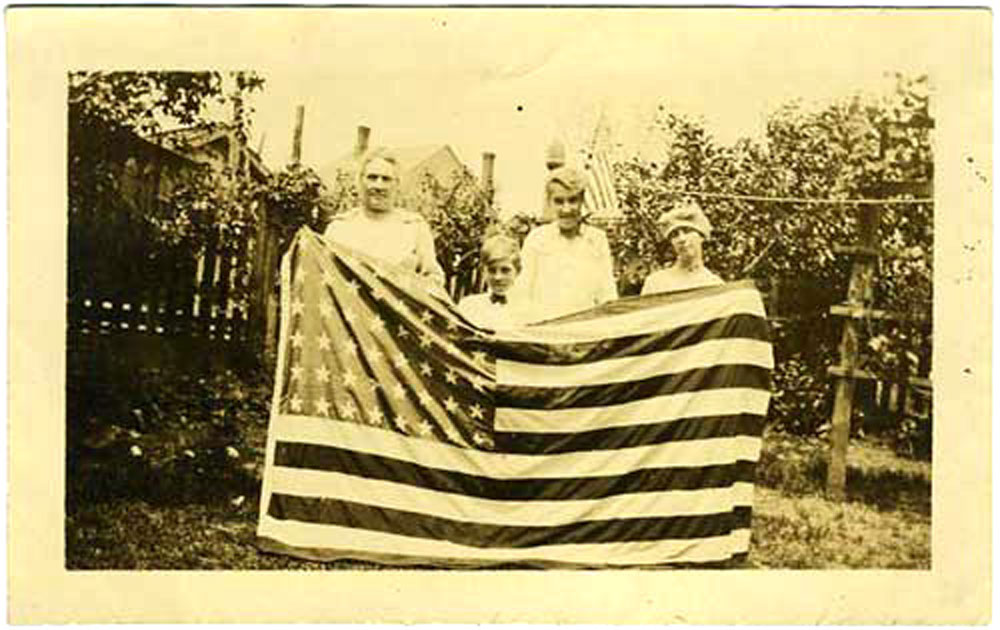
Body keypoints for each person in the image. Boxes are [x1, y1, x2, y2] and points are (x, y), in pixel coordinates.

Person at [323, 148, 446, 290]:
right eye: (372, 177)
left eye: (386, 179)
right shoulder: (339, 228)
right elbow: (325, 278)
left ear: (397, 184)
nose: (378, 185)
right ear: (360, 182)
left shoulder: (414, 227)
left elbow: (434, 280)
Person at [518, 166, 618, 321]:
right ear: (550, 202)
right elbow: (522, 293)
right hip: (544, 332)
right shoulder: (537, 239)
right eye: (559, 201)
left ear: (582, 200)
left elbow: (607, 294)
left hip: (585, 331)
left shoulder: (597, 240)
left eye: (572, 200)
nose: (566, 209)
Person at [641, 199, 724, 294]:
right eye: (675, 235)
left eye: (687, 231)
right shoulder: (656, 283)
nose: (681, 239)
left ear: (701, 236)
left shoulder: (714, 284)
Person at [457, 234, 527, 330]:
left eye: (505, 270)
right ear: (483, 271)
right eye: (492, 270)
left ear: (518, 271)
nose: (498, 277)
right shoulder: (469, 307)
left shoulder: (528, 309)